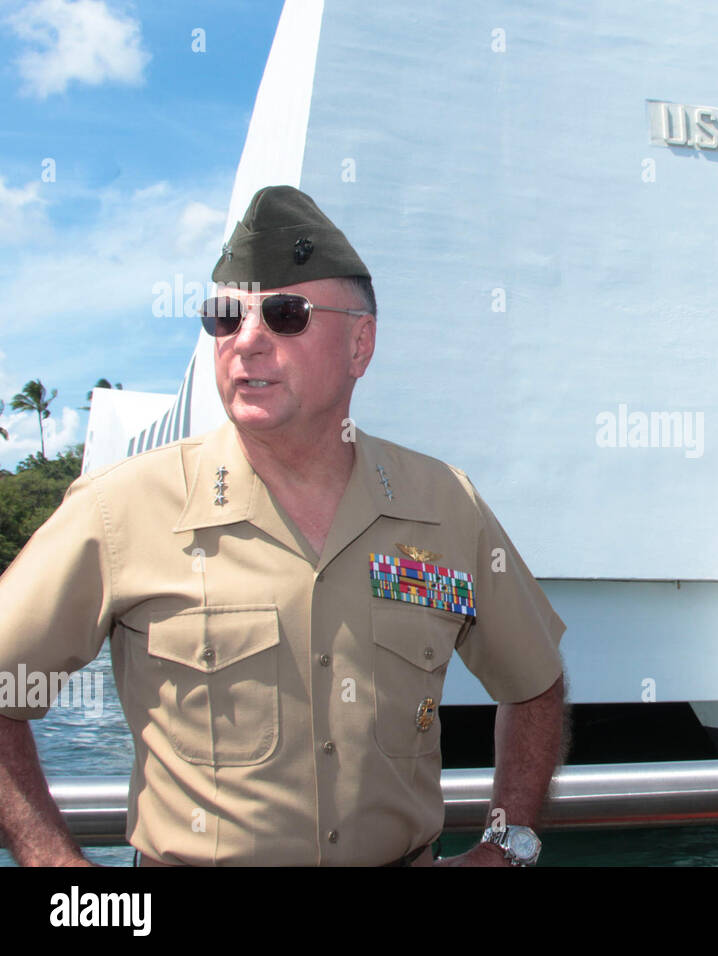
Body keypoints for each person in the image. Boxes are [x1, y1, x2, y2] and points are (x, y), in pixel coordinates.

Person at [0, 186, 566, 866]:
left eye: (284, 315)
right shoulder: (121, 510)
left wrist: (508, 842)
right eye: (223, 318)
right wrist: (52, 862)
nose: (246, 343)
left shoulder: (445, 507)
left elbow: (534, 682)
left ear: (361, 344)